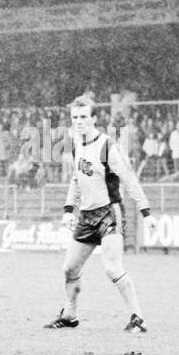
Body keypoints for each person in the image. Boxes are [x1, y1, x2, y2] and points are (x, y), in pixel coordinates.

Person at [44, 95, 152, 334]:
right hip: (86, 216)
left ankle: (138, 318)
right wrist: (68, 209)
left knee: (112, 267)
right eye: (75, 118)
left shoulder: (108, 146)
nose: (79, 121)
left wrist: (146, 212)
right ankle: (70, 315)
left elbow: (129, 179)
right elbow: (76, 178)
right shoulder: (76, 145)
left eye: (84, 117)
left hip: (109, 213)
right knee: (69, 269)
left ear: (94, 119)